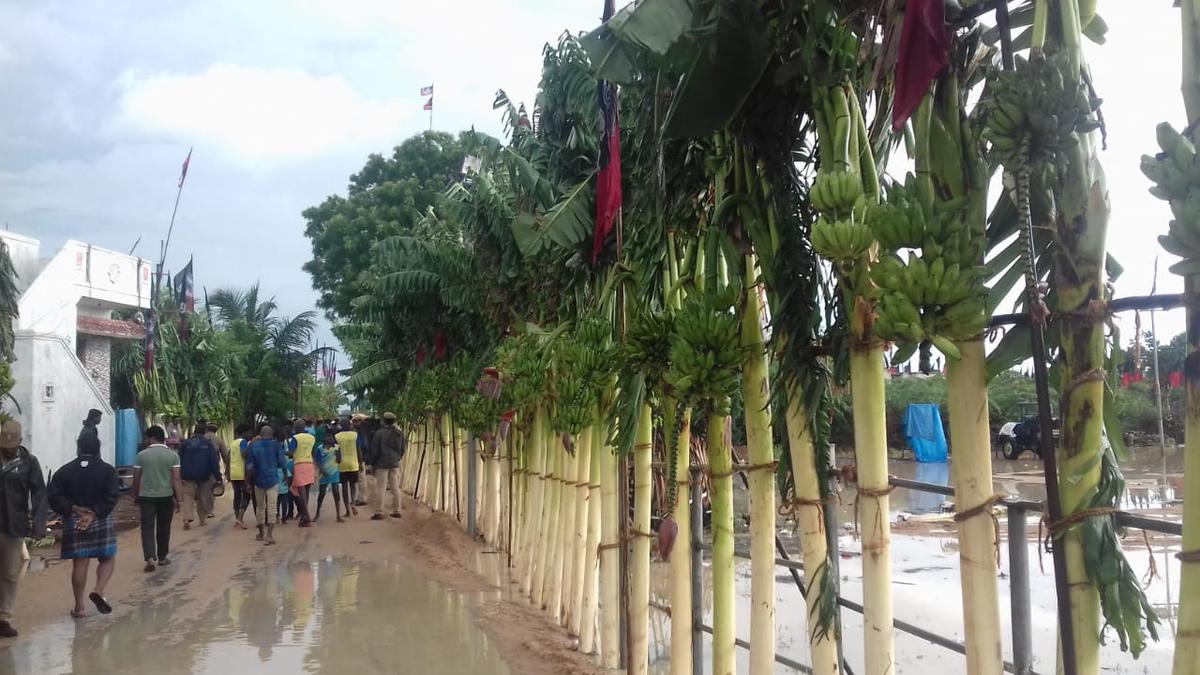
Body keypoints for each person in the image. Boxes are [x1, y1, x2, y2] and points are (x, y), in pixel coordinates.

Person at [47, 434, 119, 618]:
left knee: (80, 562)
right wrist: (93, 514)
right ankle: (98, 590)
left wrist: (73, 508)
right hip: (100, 518)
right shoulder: (108, 471)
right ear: (98, 449)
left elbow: (53, 497)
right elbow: (112, 496)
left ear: (78, 448)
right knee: (107, 558)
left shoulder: (64, 471)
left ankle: (79, 607)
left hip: (74, 520)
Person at [0, 420, 46, 638]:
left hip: (14, 525)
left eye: (11, 447)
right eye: (3, 447)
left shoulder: (29, 462)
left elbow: (39, 493)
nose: (7, 451)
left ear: (19, 441)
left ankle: (4, 617)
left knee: (10, 574)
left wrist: (39, 524)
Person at [132, 426, 182, 572]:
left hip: (146, 497)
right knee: (164, 527)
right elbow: (176, 478)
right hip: (166, 496)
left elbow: (136, 478)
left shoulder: (141, 455)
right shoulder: (173, 455)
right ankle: (162, 557)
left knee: (147, 527)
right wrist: (179, 498)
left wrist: (135, 495)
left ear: (151, 438)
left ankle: (149, 557)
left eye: (146, 438)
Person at [244, 425, 290, 545]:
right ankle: (269, 535)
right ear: (272, 435)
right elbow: (283, 462)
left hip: (258, 480)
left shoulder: (254, 446)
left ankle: (261, 533)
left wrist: (247, 481)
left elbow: (249, 466)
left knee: (260, 507)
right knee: (272, 507)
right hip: (273, 479)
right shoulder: (276, 446)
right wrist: (286, 475)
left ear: (260, 434)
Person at [179, 426, 221, 529]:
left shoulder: (185, 443)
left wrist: (180, 474)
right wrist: (218, 476)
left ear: (194, 431)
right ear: (205, 432)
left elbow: (179, 459)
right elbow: (213, 461)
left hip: (188, 474)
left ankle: (187, 519)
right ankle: (202, 519)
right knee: (202, 496)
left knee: (188, 496)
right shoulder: (208, 444)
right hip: (204, 474)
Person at [367, 412, 405, 521]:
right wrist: (397, 458)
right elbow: (403, 449)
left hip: (382, 463)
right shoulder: (399, 433)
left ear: (384, 421)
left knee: (381, 487)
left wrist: (373, 463)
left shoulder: (379, 433)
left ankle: (379, 512)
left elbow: (375, 450)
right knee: (395, 487)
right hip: (394, 463)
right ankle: (397, 511)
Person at [288, 422, 316, 527]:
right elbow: (312, 452)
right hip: (309, 463)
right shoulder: (311, 438)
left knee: (301, 492)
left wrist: (283, 452)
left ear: (295, 428)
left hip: (299, 464)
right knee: (306, 492)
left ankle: (307, 516)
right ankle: (303, 517)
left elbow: (291, 453)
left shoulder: (295, 438)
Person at [228, 423, 254, 529]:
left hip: (233, 472)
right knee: (246, 495)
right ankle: (240, 518)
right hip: (242, 473)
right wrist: (251, 446)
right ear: (244, 432)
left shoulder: (233, 443)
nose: (250, 434)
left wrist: (227, 472)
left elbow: (229, 458)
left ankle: (237, 518)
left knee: (237, 496)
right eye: (249, 432)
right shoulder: (243, 442)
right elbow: (244, 454)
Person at [313, 437, 342, 523]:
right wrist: (322, 471)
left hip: (334, 472)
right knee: (322, 494)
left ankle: (338, 515)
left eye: (330, 446)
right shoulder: (319, 449)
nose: (329, 447)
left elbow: (339, 461)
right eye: (328, 446)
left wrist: (338, 455)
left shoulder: (337, 448)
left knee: (336, 493)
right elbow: (317, 462)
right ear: (324, 444)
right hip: (323, 473)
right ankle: (317, 513)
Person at [205, 423, 231, 516]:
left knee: (202, 488)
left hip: (200, 466)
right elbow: (225, 455)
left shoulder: (202, 438)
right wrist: (227, 468)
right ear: (216, 431)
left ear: (207, 429)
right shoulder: (218, 440)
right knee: (212, 487)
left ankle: (203, 509)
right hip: (213, 466)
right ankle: (209, 510)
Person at [336, 423, 360, 517]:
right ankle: (353, 502)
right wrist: (360, 462)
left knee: (344, 488)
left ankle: (347, 510)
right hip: (353, 463)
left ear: (341, 426)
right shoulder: (355, 435)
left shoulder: (337, 436)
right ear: (349, 426)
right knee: (353, 485)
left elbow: (336, 451)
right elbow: (358, 450)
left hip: (342, 465)